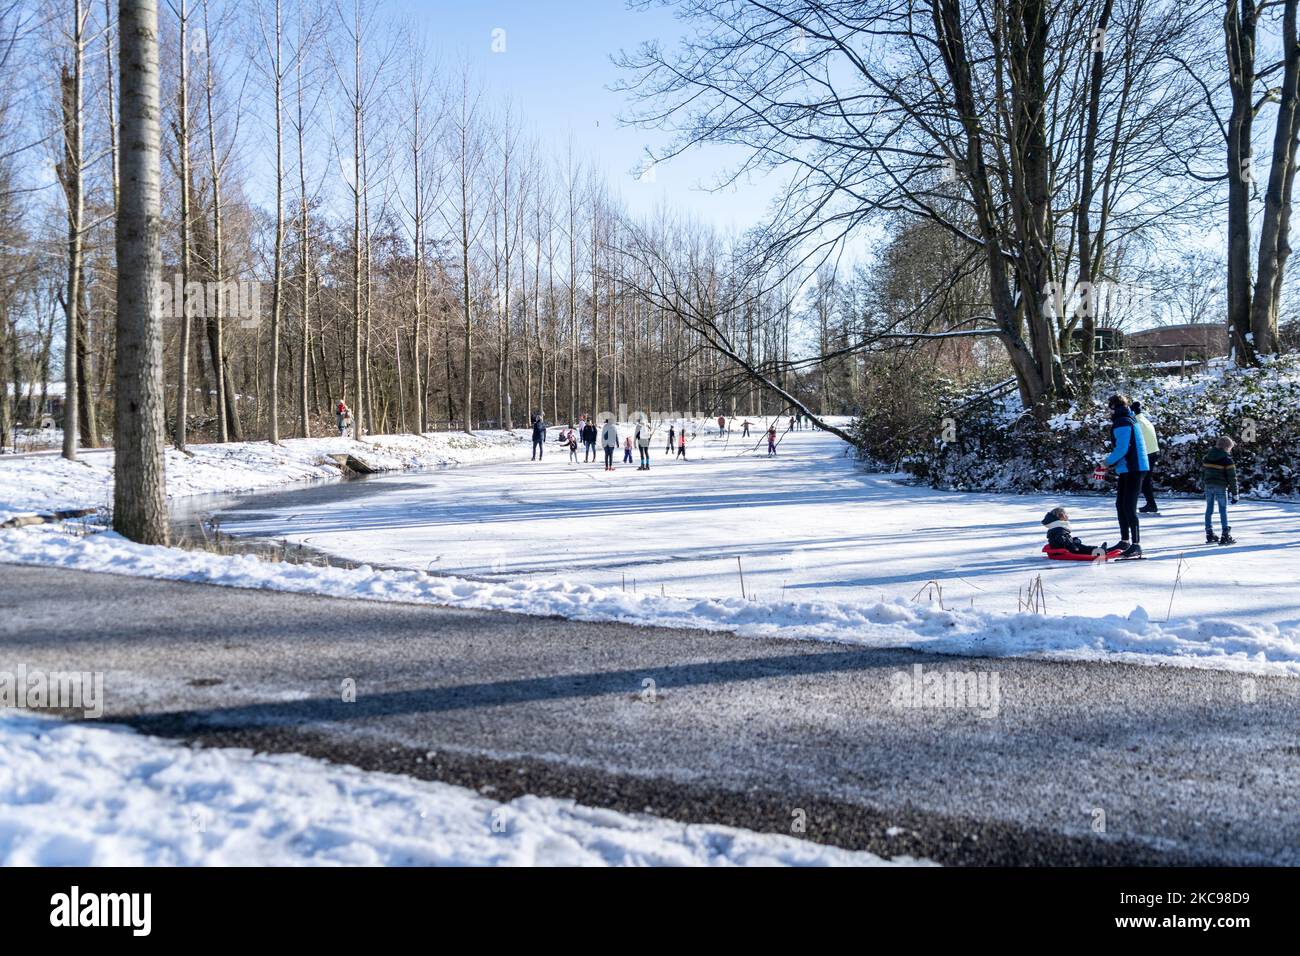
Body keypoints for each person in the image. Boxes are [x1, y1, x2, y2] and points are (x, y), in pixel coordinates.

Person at [1101, 393, 1149, 559]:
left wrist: (1105, 463)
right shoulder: (1127, 417)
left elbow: (1122, 448)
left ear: (1113, 407)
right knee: (1120, 504)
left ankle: (1136, 545)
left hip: (1134, 468)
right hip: (1128, 468)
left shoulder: (1122, 421)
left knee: (1128, 506)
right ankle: (1125, 541)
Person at [1202, 436, 1239, 545]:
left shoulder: (1207, 457)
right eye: (1230, 448)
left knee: (1209, 509)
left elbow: (1203, 472)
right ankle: (1225, 535)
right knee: (1222, 509)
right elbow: (1232, 477)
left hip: (1208, 486)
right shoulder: (1227, 459)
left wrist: (1205, 482)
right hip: (1221, 486)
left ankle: (1209, 533)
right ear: (1227, 448)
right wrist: (1235, 493)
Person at [1041, 507, 1110, 555]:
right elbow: (1062, 540)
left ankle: (1099, 549)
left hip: (1065, 546)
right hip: (1065, 549)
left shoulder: (1057, 527)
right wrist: (1073, 545)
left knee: (1083, 546)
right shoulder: (1059, 528)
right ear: (1061, 516)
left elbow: (1063, 539)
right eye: (1066, 514)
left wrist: (1073, 540)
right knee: (1083, 548)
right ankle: (1099, 551)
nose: (1067, 516)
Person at [1132, 401, 1161, 514]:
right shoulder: (1145, 420)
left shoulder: (1137, 422)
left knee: (1143, 480)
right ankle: (1151, 503)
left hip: (1147, 453)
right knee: (1145, 480)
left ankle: (1151, 504)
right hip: (1153, 452)